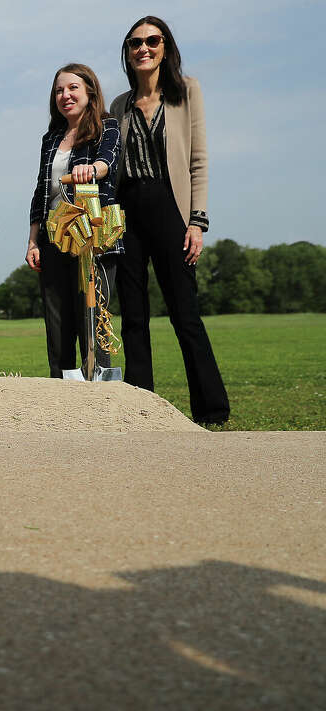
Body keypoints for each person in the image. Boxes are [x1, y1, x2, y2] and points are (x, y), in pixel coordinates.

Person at [110, 16, 229, 424]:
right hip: (127, 210)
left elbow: (199, 161)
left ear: (165, 47)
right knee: (133, 313)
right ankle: (141, 406)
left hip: (170, 207)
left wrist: (197, 221)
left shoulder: (186, 92)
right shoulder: (118, 106)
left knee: (185, 312)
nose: (144, 48)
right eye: (135, 43)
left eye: (152, 40)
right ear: (127, 52)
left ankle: (211, 408)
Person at [25, 64, 122, 377]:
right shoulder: (51, 139)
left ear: (89, 91)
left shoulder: (107, 126)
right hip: (54, 236)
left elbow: (108, 161)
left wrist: (90, 170)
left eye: (72, 88)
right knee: (58, 324)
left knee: (92, 316)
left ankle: (101, 390)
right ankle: (64, 393)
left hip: (92, 235)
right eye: (58, 90)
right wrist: (32, 240)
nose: (65, 95)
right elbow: (42, 190)